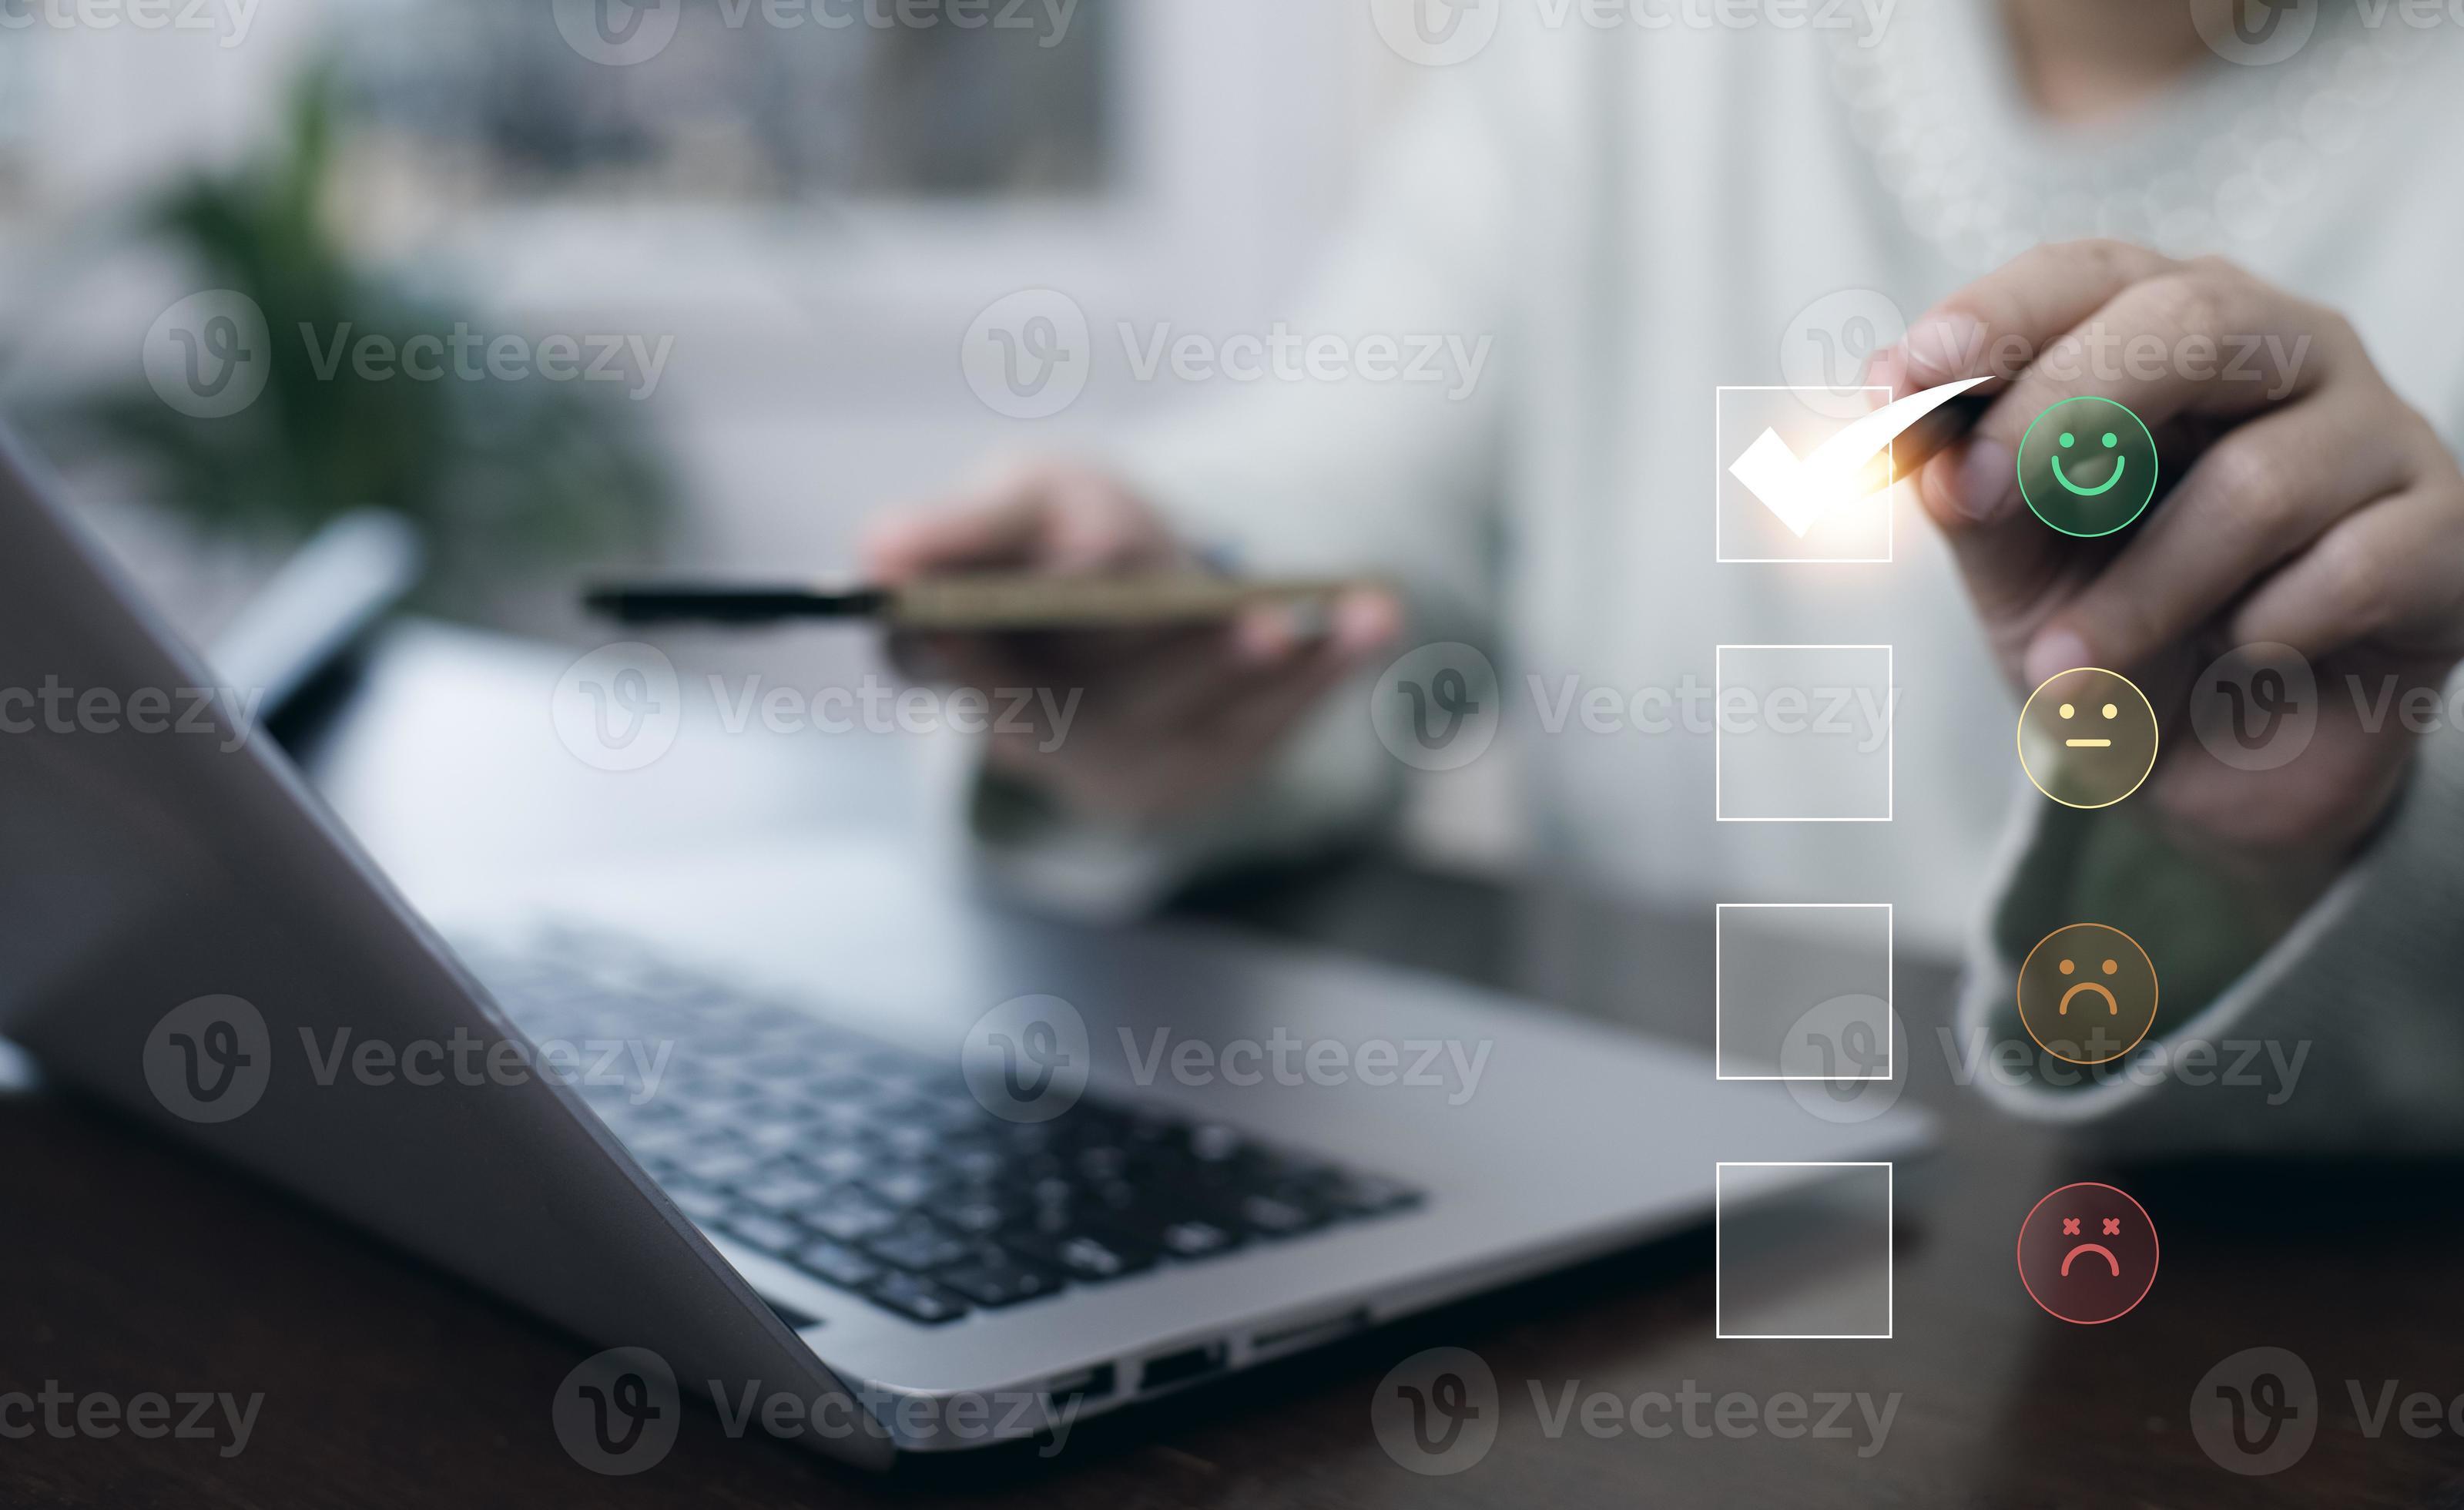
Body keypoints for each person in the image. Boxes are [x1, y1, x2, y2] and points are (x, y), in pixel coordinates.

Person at [863, 0, 2464, 1146]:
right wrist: (1164, 611)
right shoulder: (1617, 48)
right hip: (1664, 1266)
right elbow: (1334, 486)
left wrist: (2273, 844)